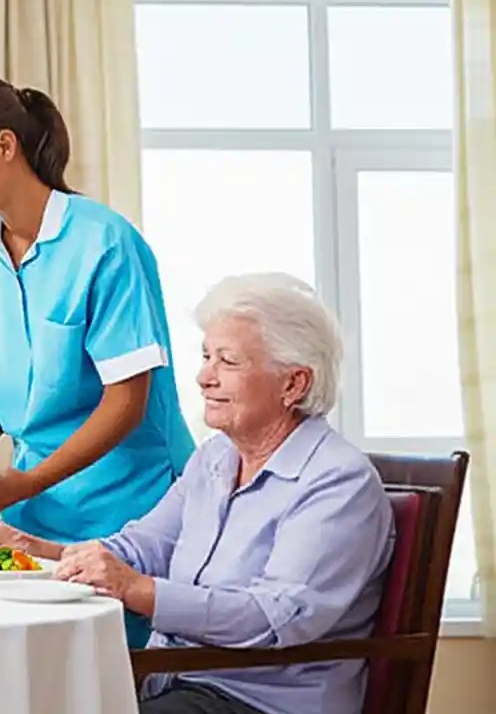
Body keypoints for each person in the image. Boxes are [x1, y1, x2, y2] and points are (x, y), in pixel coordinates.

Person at [0, 70, 194, 646]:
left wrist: (23, 482)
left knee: (105, 683)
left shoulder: (104, 243)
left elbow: (127, 402)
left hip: (129, 516)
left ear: (4, 146)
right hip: (32, 515)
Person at [49, 273, 394, 714]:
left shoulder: (338, 481)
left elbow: (276, 617)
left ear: (294, 384)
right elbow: (141, 548)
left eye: (228, 361)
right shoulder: (215, 458)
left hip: (261, 703)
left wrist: (138, 590)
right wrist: (45, 556)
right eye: (206, 356)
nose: (203, 377)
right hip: (177, 684)